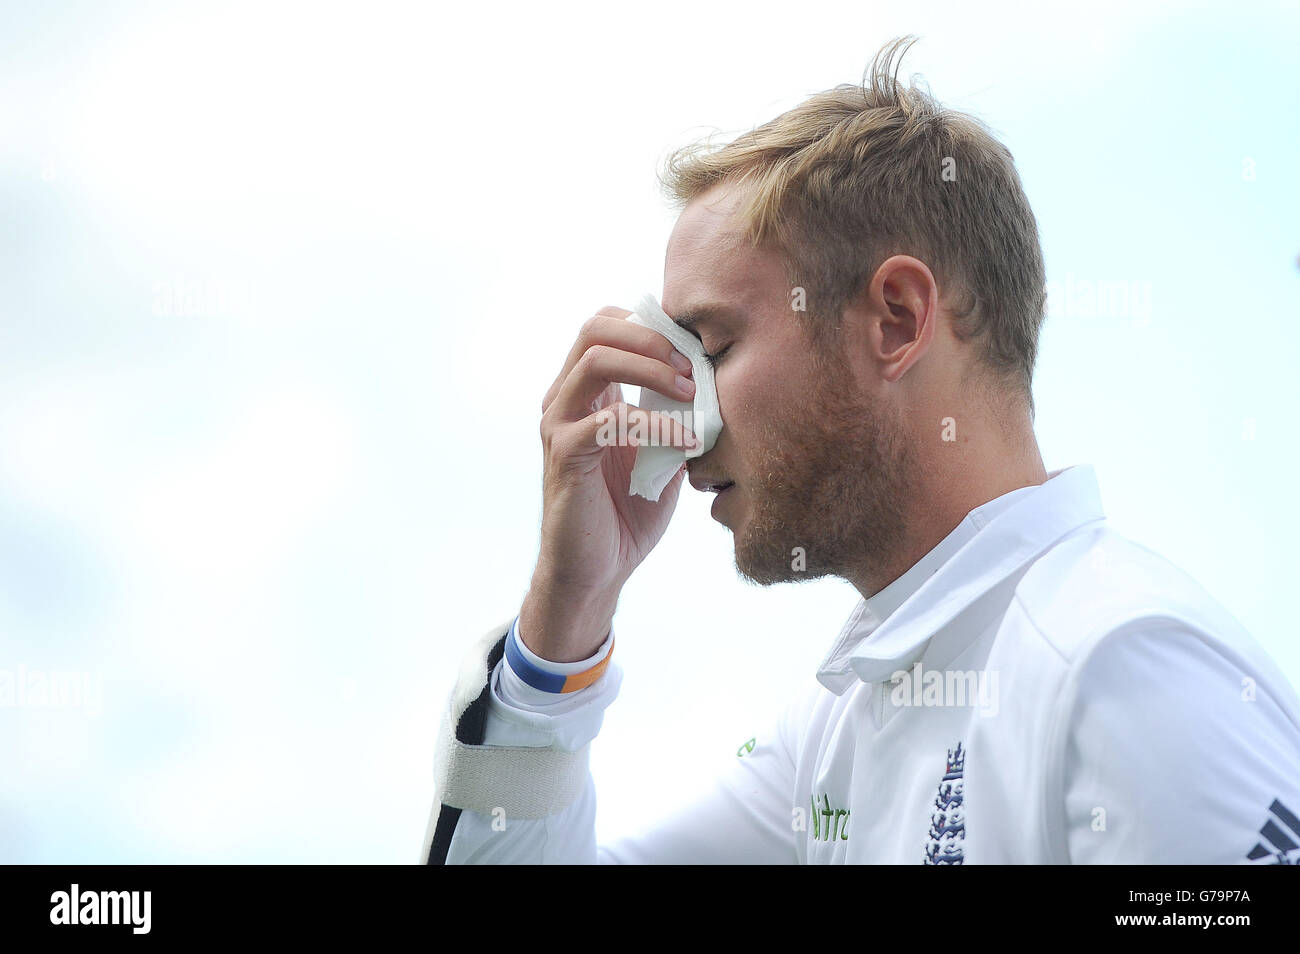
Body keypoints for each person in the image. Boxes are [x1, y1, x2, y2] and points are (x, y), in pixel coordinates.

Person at [422, 36, 1300, 864]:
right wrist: (568, 610)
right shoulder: (836, 736)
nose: (683, 428)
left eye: (712, 349)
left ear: (898, 321)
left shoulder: (1119, 665)